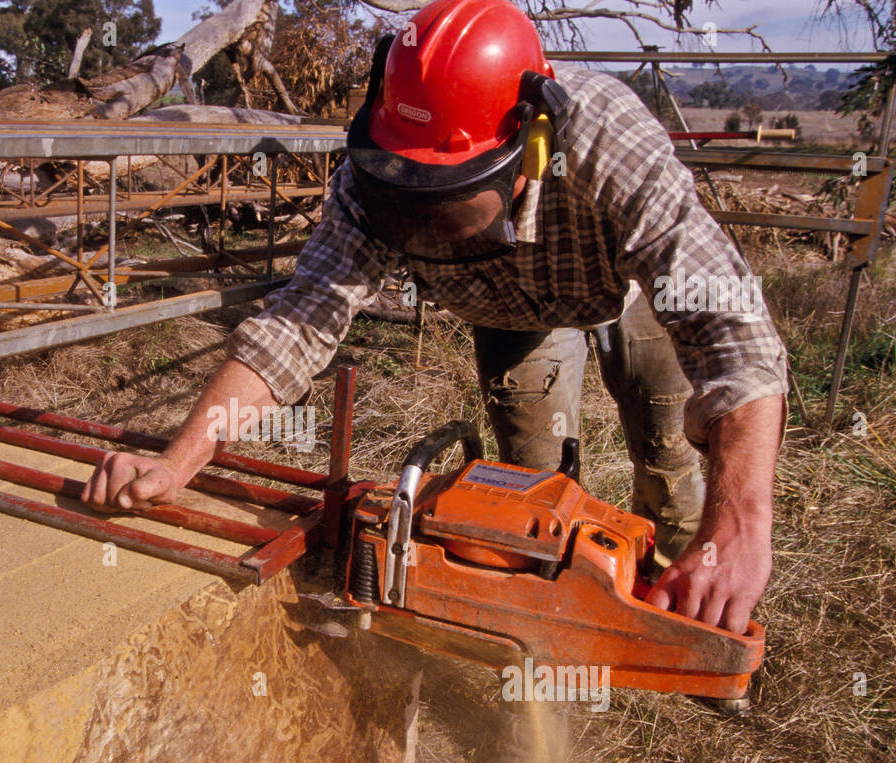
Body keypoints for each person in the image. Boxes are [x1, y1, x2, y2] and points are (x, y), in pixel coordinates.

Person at [83, 0, 788, 637]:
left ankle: (676, 622)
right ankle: (543, 635)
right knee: (524, 503)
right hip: (506, 316)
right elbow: (297, 325)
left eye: (445, 201)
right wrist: (177, 462)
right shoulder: (377, 171)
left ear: (530, 147)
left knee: (669, 466)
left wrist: (739, 526)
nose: (421, 218)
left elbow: (731, 330)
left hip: (621, 293)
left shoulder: (608, 139)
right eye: (408, 200)